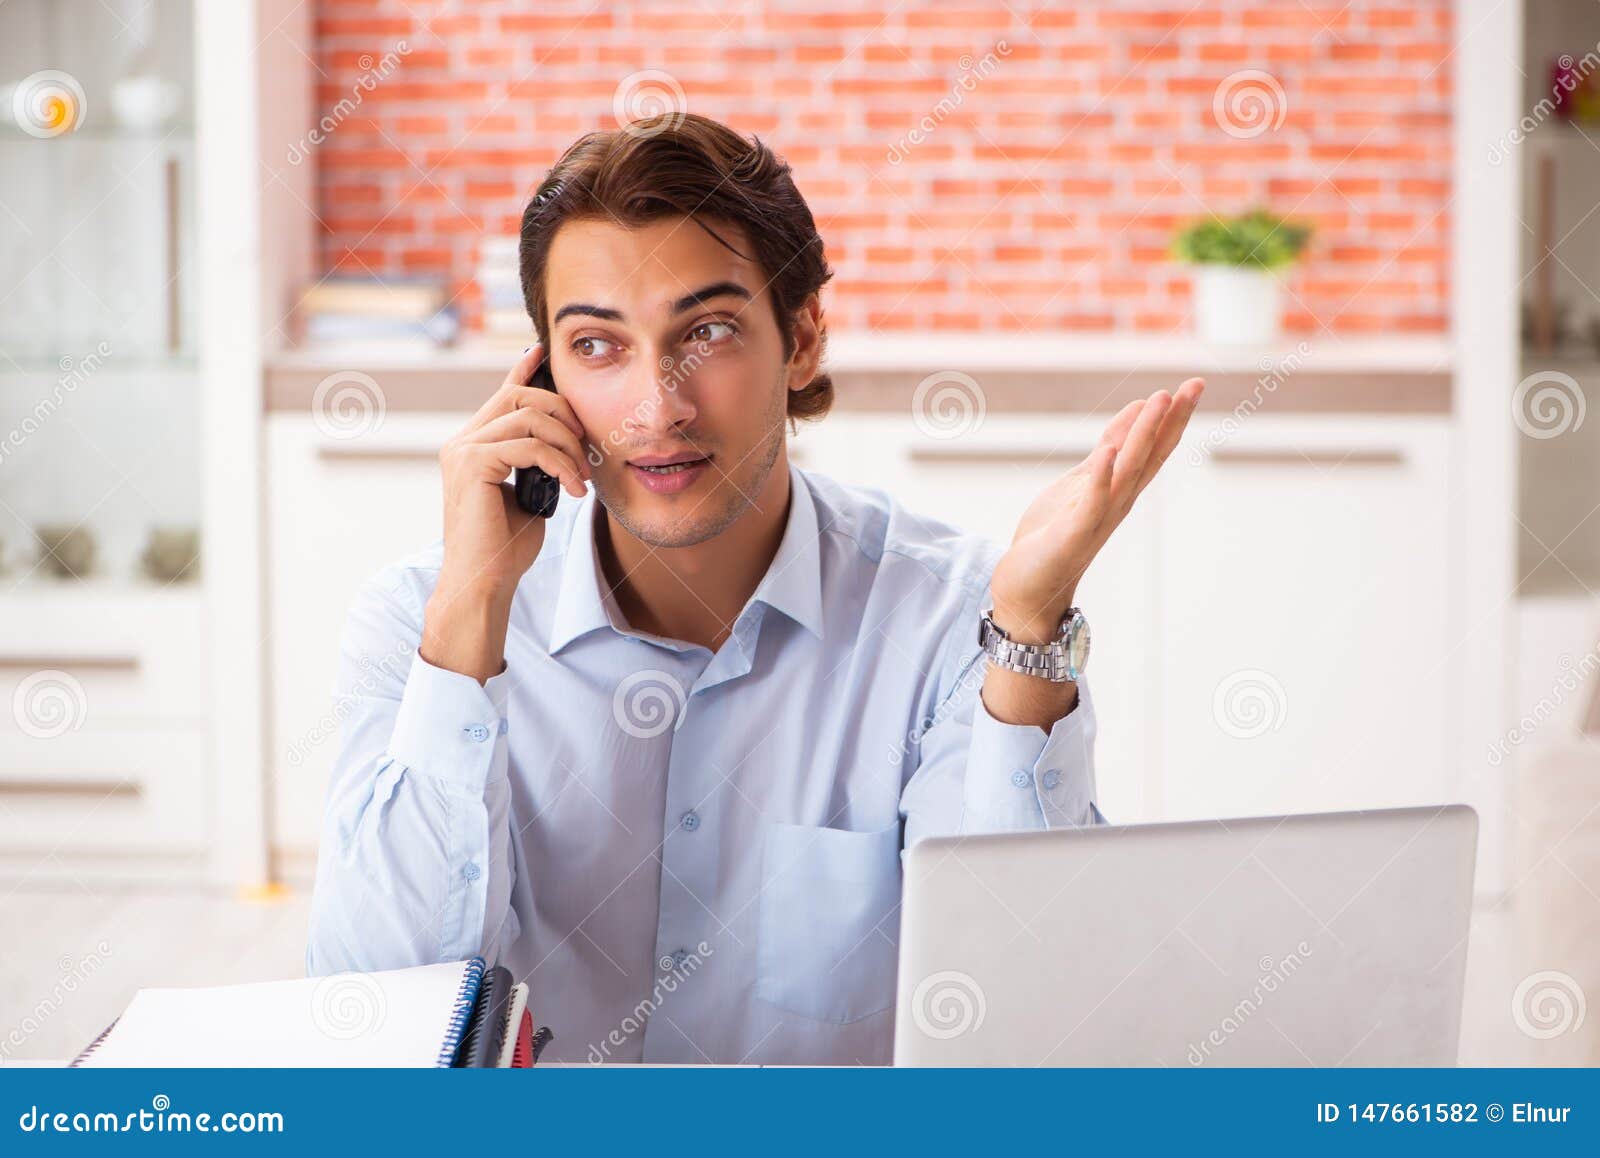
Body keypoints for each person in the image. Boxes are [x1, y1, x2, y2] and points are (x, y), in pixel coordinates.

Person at [306, 113, 1202, 1064]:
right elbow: (368, 1016)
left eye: (709, 332)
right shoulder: (421, 621)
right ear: (541, 377)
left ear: (802, 338)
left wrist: (1026, 629)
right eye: (599, 347)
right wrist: (470, 614)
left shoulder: (948, 626)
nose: (658, 408)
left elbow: (1024, 1016)